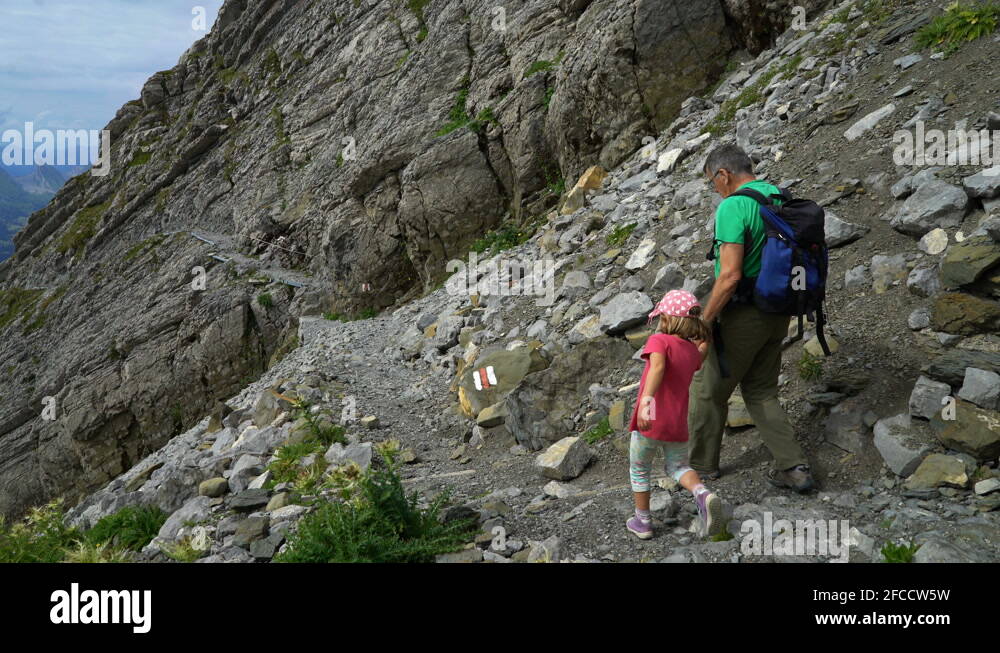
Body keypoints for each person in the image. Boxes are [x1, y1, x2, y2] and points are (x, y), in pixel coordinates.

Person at [688, 144, 815, 492]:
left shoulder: (734, 206)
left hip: (744, 315)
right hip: (780, 310)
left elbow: (729, 276)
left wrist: (706, 321)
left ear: (723, 175)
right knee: (761, 391)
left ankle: (699, 470)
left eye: (712, 182)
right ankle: (794, 468)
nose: (715, 190)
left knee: (706, 389)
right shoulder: (779, 197)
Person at [626, 289, 723, 540]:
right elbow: (702, 351)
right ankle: (702, 494)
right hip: (678, 424)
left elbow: (657, 368)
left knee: (640, 468)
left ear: (667, 319)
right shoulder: (691, 352)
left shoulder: (659, 341)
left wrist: (647, 403)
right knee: (678, 466)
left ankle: (643, 521)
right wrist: (706, 336)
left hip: (652, 419)